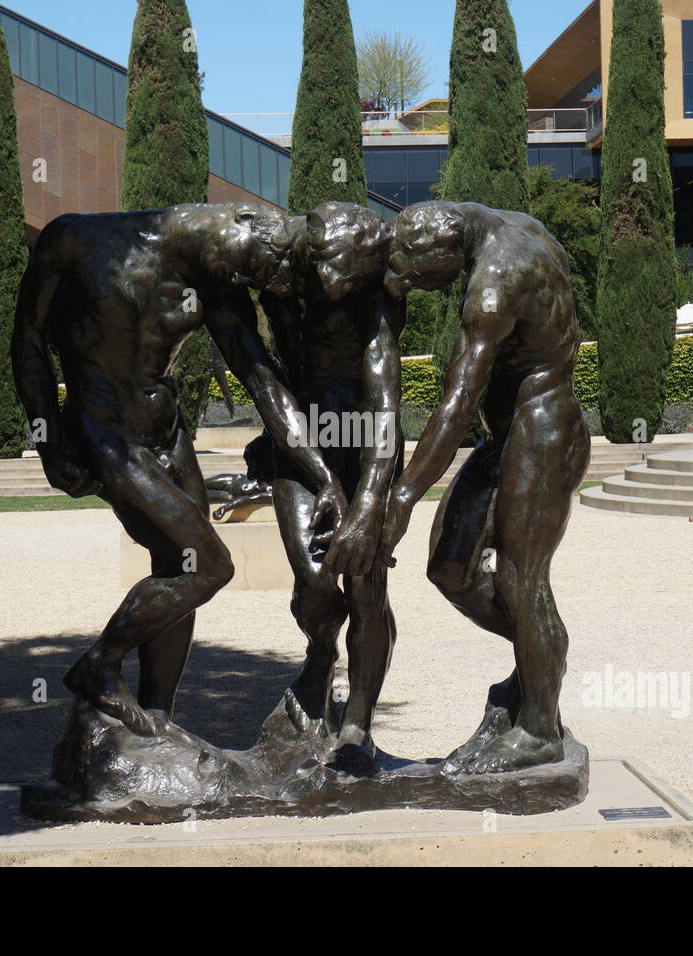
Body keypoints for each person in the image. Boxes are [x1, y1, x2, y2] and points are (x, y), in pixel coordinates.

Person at [12, 202, 347, 736]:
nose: (241, 282)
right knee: (208, 566)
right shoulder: (74, 239)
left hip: (169, 434)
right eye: (245, 270)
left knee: (182, 562)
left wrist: (320, 471)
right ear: (233, 223)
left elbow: (260, 379)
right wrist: (48, 440)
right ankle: (98, 665)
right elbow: (28, 342)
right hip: (107, 436)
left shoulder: (215, 273)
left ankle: (158, 714)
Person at [377, 201, 591, 774]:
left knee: (523, 581)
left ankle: (541, 728)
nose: (424, 290)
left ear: (445, 252)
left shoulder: (494, 281)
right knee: (450, 567)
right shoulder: (519, 225)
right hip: (512, 434)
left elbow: (457, 405)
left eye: (423, 279)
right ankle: (537, 662)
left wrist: (402, 495)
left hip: (544, 429)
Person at [252, 201, 404, 773]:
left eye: (348, 271)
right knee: (314, 581)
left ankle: (358, 722)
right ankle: (320, 653)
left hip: (367, 438)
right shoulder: (281, 275)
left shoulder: (378, 295)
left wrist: (368, 501)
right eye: (327, 267)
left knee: (366, 591)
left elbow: (385, 400)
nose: (335, 281)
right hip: (299, 439)